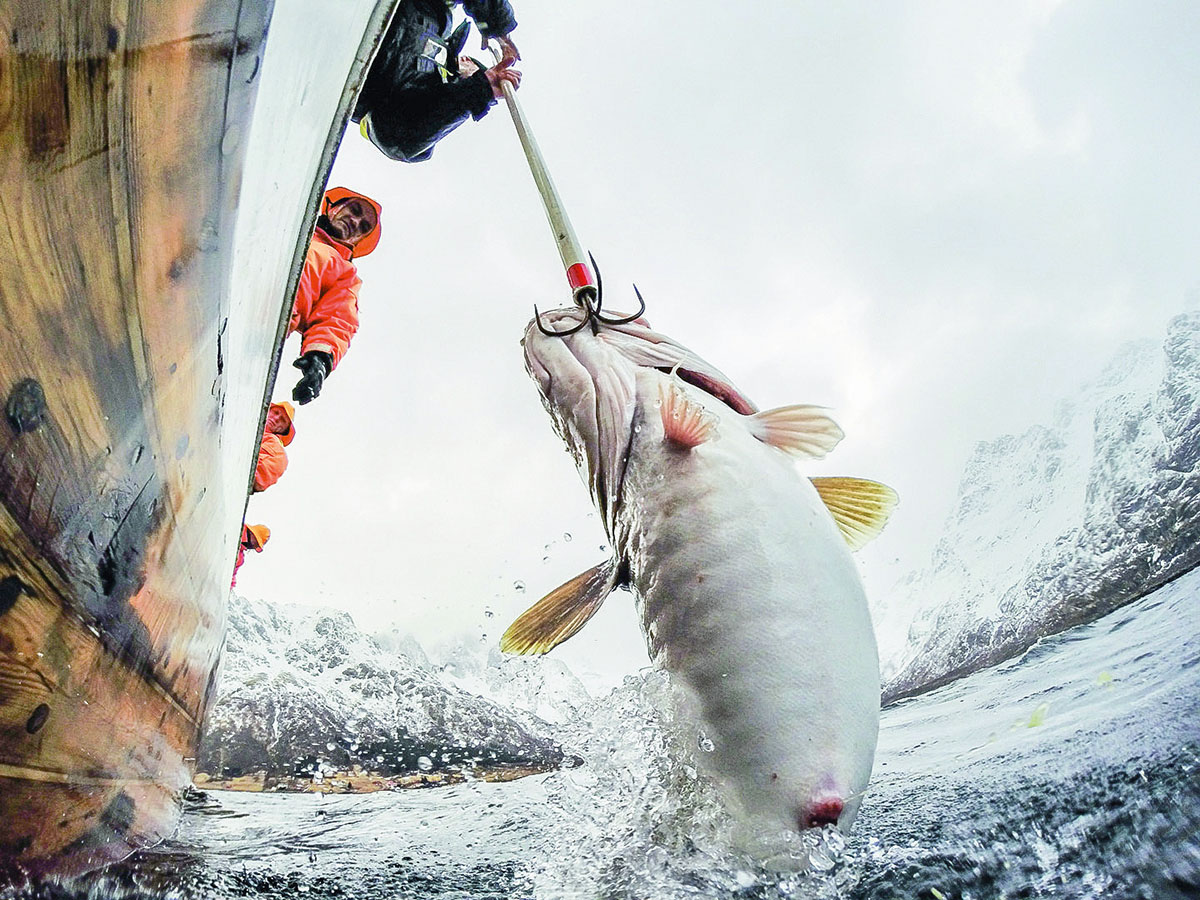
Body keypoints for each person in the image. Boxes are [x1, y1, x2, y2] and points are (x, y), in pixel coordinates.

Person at [351, 0, 522, 163]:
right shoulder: (437, 17)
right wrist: (501, 31)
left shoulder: (424, 99)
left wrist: (479, 90)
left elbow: (399, 140)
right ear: (465, 59)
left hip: (350, 71)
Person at [290, 187, 383, 405]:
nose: (355, 221)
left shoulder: (344, 273)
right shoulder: (293, 216)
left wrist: (320, 360)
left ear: (358, 240)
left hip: (265, 321)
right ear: (334, 207)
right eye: (355, 210)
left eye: (364, 227)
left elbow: (337, 320)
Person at [253, 401, 296, 493]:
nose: (276, 418)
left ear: (283, 430)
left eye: (282, 420)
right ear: (268, 411)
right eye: (276, 412)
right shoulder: (246, 418)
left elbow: (278, 463)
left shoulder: (273, 443)